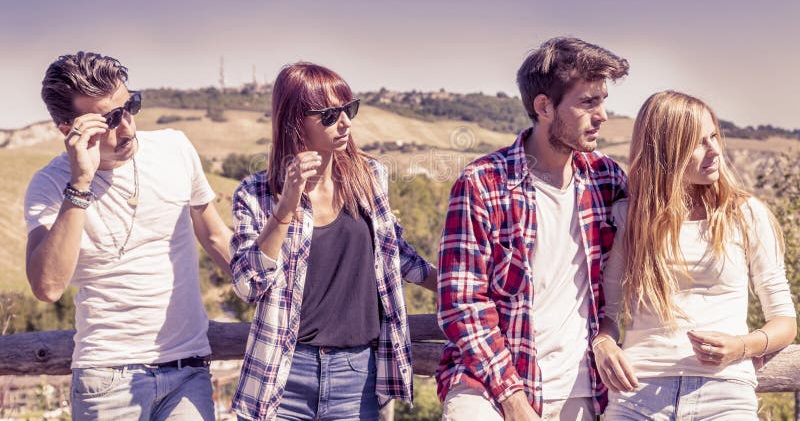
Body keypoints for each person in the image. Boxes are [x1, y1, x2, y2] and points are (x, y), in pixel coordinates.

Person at [24, 52, 232, 420]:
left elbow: (216, 238)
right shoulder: (49, 184)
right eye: (108, 120)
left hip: (189, 371)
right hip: (106, 378)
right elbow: (48, 286)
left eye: (129, 106)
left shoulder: (176, 148)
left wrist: (282, 295)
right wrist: (81, 183)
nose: (128, 128)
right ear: (67, 129)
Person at [229, 62, 437, 421]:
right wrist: (285, 207)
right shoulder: (256, 193)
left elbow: (396, 255)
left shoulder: (369, 178)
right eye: (329, 115)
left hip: (356, 375)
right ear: (295, 121)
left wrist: (459, 290)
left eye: (348, 109)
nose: (345, 123)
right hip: (284, 374)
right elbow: (248, 285)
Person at [436, 37, 630, 421]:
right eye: (588, 102)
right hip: (489, 386)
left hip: (582, 384)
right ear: (544, 106)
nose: (603, 115)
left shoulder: (606, 179)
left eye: (602, 100)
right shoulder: (483, 182)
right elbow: (462, 303)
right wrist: (513, 399)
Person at [593, 91, 797, 420]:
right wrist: (602, 346)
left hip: (725, 395)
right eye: (697, 143)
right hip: (637, 393)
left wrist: (741, 347)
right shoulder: (629, 218)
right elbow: (608, 314)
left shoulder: (747, 215)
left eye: (713, 135)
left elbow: (785, 322)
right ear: (665, 152)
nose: (714, 150)